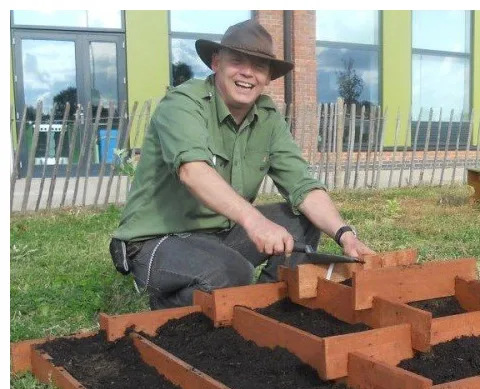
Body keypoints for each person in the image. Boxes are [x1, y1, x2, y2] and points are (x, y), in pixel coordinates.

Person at [110, 19, 374, 309]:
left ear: (268, 77)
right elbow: (192, 171)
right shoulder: (183, 103)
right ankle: (167, 305)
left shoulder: (268, 118)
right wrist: (255, 221)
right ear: (216, 63)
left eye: (259, 66)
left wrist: (344, 234)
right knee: (231, 272)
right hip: (156, 241)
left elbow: (303, 186)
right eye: (237, 61)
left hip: (218, 236)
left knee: (305, 220)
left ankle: (267, 308)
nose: (248, 73)